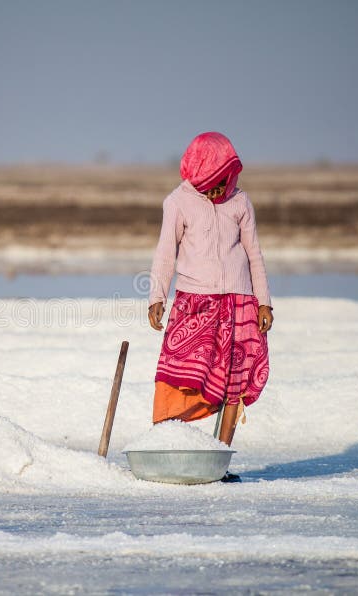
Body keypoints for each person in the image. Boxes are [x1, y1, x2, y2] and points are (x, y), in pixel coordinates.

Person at [147, 131, 272, 482]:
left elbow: (254, 254)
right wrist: (157, 296)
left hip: (240, 302)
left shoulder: (241, 202)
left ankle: (219, 463)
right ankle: (165, 449)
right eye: (211, 182)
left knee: (235, 382)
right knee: (178, 374)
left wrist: (264, 303)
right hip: (195, 303)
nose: (218, 190)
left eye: (223, 181)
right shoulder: (178, 202)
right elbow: (165, 252)